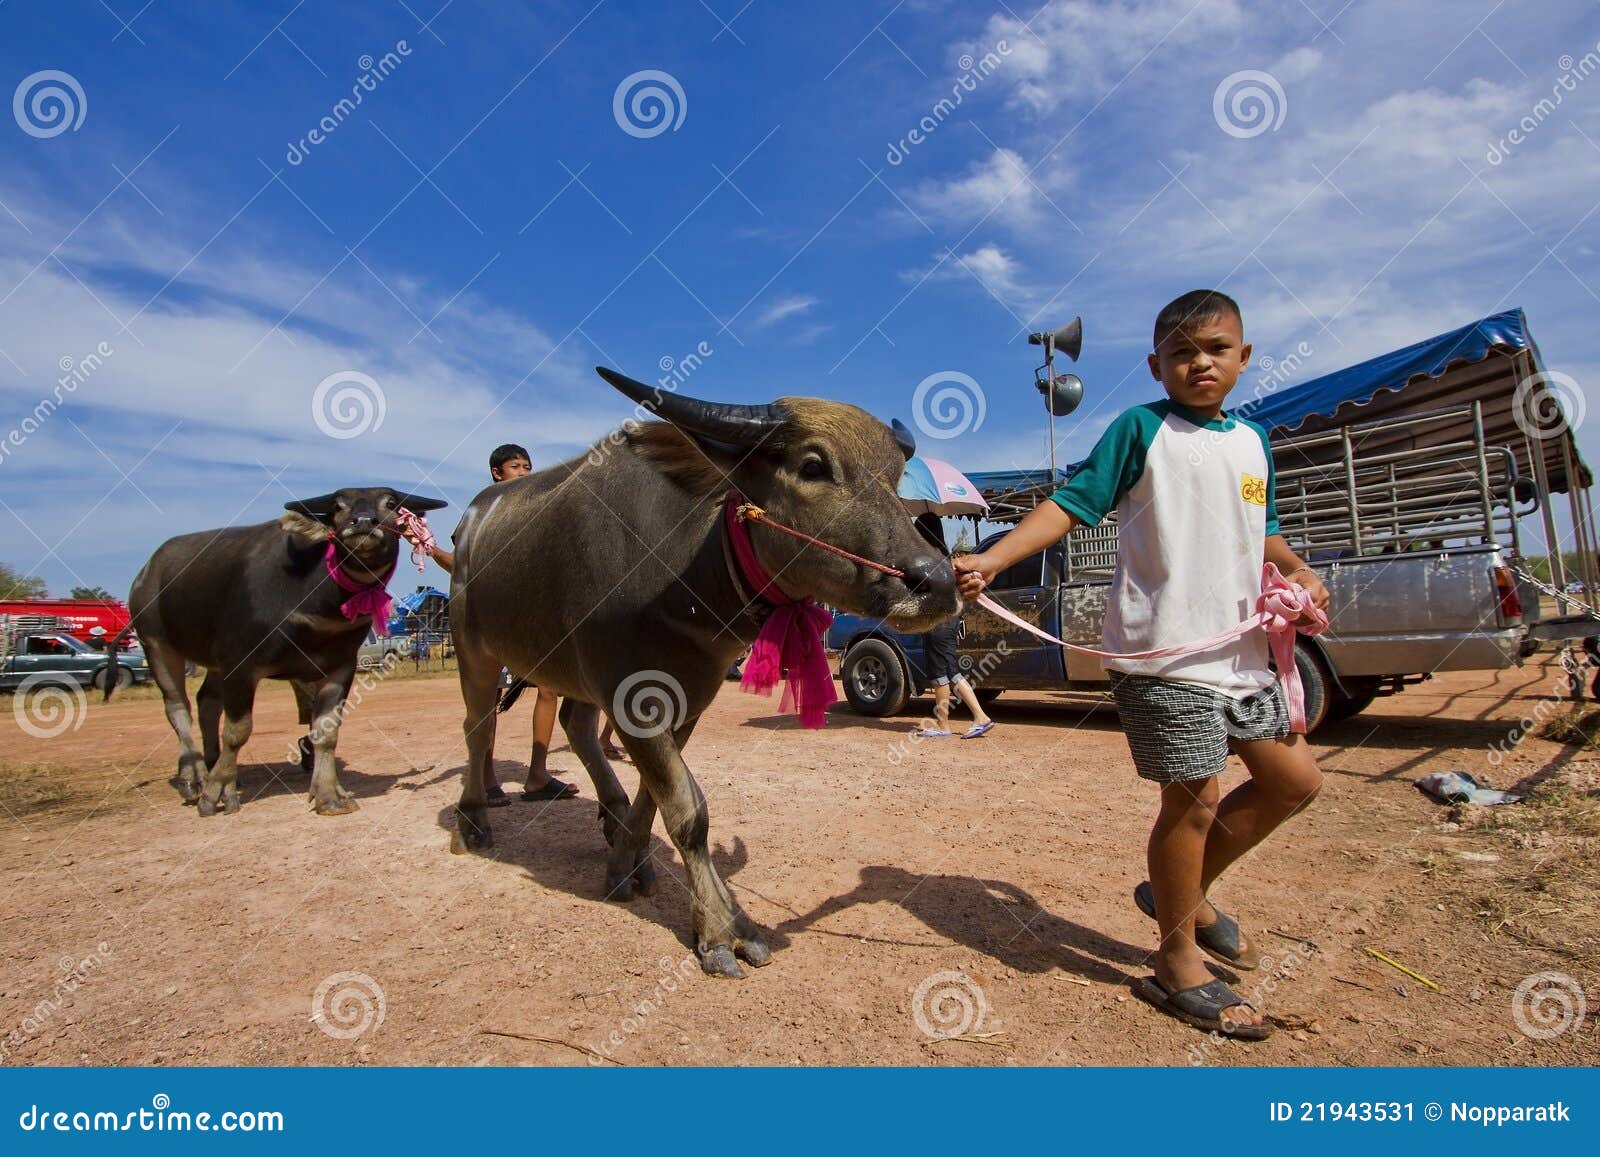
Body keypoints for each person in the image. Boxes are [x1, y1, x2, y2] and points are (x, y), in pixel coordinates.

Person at [955, 290, 1329, 1041]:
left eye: (1216, 348)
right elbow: (1071, 504)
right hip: (1162, 656)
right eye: (1183, 352)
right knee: (1191, 803)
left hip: (1243, 655)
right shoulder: (1140, 430)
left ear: (1243, 357)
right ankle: (1177, 961)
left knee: (1296, 781)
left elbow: (1268, 536)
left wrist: (1304, 572)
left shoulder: (1254, 445)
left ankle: (1177, 896)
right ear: (1156, 365)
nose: (1200, 363)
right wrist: (992, 557)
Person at [411, 443, 578, 806]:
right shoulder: (482, 512)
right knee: (489, 696)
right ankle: (485, 776)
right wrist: (430, 548)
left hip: (532, 620)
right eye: (515, 466)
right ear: (496, 474)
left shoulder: (538, 510)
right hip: (491, 619)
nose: (524, 472)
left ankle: (537, 775)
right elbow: (461, 564)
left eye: (527, 466)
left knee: (550, 689)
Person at [909, 517, 993, 739]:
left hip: (938, 621)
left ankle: (943, 725)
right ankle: (980, 716)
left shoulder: (927, 561)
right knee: (951, 671)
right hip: (951, 620)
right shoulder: (948, 560)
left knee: (939, 673)